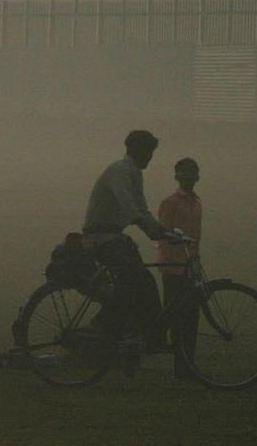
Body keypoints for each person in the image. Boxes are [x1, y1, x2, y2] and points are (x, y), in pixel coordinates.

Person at [82, 130, 169, 358]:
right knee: (132, 280)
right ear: (138, 151)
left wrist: (158, 231)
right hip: (101, 238)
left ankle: (151, 335)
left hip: (113, 236)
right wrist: (155, 230)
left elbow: (141, 209)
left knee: (145, 280)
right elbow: (130, 207)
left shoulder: (134, 173)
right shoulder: (120, 171)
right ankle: (104, 325)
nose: (151, 157)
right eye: (149, 152)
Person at [157, 157, 203, 378]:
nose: (189, 176)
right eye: (184, 172)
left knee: (192, 316)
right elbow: (162, 234)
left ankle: (188, 364)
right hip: (173, 266)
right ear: (177, 175)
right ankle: (180, 366)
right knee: (176, 316)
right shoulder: (170, 202)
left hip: (191, 266)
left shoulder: (197, 203)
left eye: (193, 172)